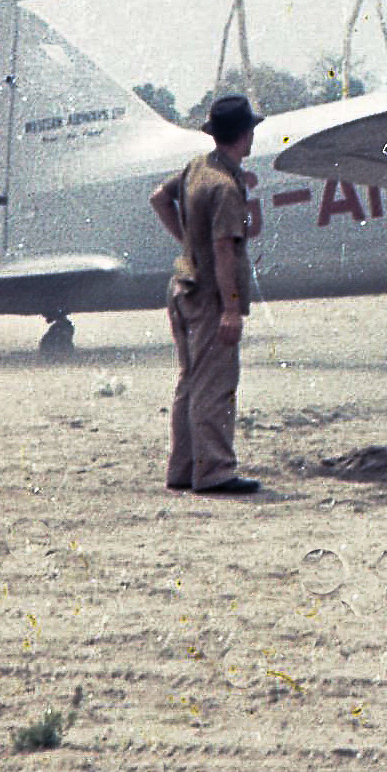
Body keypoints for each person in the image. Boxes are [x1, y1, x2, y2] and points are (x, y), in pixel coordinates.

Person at [148, 94, 264, 496]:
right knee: (215, 385)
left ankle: (182, 470)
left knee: (190, 382)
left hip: (182, 287)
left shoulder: (198, 168)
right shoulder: (226, 187)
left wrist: (186, 244)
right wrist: (232, 310)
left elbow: (159, 198)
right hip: (209, 297)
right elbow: (224, 249)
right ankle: (214, 471)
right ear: (244, 136)